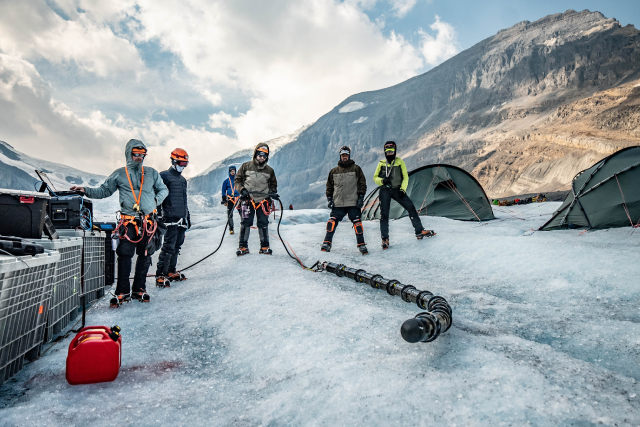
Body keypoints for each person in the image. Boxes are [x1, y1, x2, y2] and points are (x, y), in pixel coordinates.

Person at [71, 139, 168, 304]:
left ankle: (139, 289)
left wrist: (154, 201)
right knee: (124, 255)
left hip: (148, 222)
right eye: (136, 154)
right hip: (128, 222)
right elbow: (104, 190)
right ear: (129, 154)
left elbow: (163, 189)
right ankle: (122, 291)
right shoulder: (120, 174)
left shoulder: (152, 173)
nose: (139, 157)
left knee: (145, 255)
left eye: (142, 154)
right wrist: (86, 191)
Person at [373, 141, 435, 249]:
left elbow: (405, 177)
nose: (390, 154)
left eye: (392, 151)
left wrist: (403, 189)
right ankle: (385, 239)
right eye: (387, 152)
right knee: (384, 215)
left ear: (395, 151)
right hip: (384, 191)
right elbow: (375, 178)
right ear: (385, 152)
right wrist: (382, 181)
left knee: (410, 207)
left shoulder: (400, 162)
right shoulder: (381, 163)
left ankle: (419, 231)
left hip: (398, 190)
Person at [321, 146, 368, 254]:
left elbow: (362, 184)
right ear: (340, 156)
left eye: (346, 155)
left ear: (349, 155)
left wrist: (361, 197)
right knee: (332, 222)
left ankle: (361, 245)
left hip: (353, 201)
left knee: (357, 223)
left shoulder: (356, 169)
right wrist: (329, 199)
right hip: (338, 202)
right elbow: (329, 186)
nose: (345, 157)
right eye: (343, 155)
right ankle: (327, 243)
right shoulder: (333, 171)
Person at [234, 143, 278, 256]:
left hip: (263, 200)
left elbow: (273, 184)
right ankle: (243, 247)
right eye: (260, 154)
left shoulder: (270, 170)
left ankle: (265, 247)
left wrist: (273, 192)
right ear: (255, 154)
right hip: (247, 199)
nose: (262, 157)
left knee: (263, 223)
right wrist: (242, 189)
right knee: (245, 223)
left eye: (264, 155)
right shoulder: (246, 166)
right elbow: (237, 181)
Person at [155, 148, 191, 288]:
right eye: (181, 163)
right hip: (169, 217)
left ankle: (170, 271)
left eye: (185, 164)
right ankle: (160, 274)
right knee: (168, 247)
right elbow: (158, 196)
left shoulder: (182, 180)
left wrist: (187, 217)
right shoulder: (164, 176)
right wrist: (158, 215)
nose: (183, 166)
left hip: (181, 218)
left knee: (177, 245)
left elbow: (184, 199)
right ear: (174, 161)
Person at [221, 165, 239, 234]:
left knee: (241, 212)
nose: (232, 172)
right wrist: (224, 198)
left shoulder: (238, 180)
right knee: (230, 214)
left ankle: (243, 226)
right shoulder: (226, 181)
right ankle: (231, 229)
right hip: (230, 199)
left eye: (233, 171)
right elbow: (223, 190)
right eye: (231, 171)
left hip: (238, 198)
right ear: (229, 172)